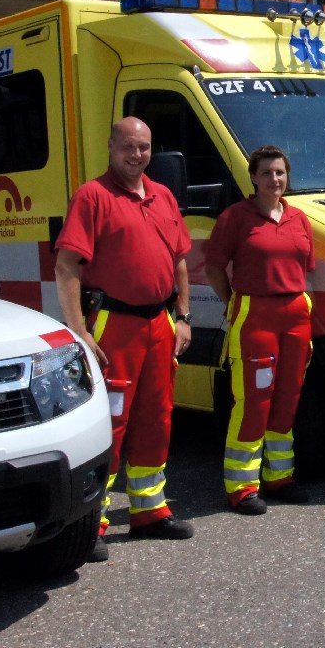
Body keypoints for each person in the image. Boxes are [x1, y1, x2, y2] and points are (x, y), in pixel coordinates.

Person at [55, 117, 195, 563]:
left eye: (145, 147)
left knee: (157, 417)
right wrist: (78, 329)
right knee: (110, 424)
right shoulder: (92, 196)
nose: (137, 155)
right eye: (129, 147)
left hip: (160, 324)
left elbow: (179, 262)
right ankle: (92, 519)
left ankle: (150, 511)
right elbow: (67, 266)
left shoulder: (163, 196)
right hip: (114, 324)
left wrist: (184, 317)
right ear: (111, 146)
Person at [205, 145, 316, 514]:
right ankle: (241, 487)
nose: (274, 179)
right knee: (254, 400)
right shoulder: (237, 217)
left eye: (280, 173)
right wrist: (234, 303)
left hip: (295, 312)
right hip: (254, 313)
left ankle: (280, 477)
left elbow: (306, 267)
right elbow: (215, 268)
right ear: (252, 177)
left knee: (287, 398)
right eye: (266, 173)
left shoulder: (299, 219)